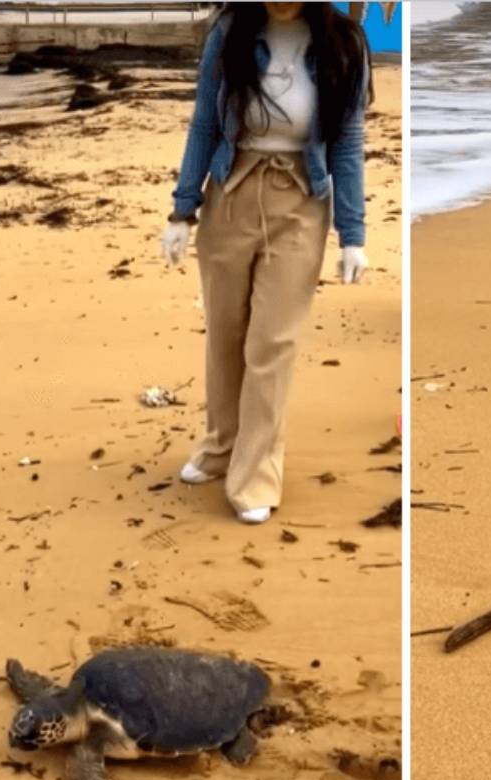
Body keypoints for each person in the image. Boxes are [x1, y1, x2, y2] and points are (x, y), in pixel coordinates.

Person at [162, 1, 371, 524]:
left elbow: (346, 142)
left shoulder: (344, 43)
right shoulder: (231, 33)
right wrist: (182, 210)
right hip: (230, 193)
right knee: (226, 334)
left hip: (300, 199)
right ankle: (220, 446)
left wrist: (353, 234)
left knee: (271, 342)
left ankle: (255, 475)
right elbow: (205, 123)